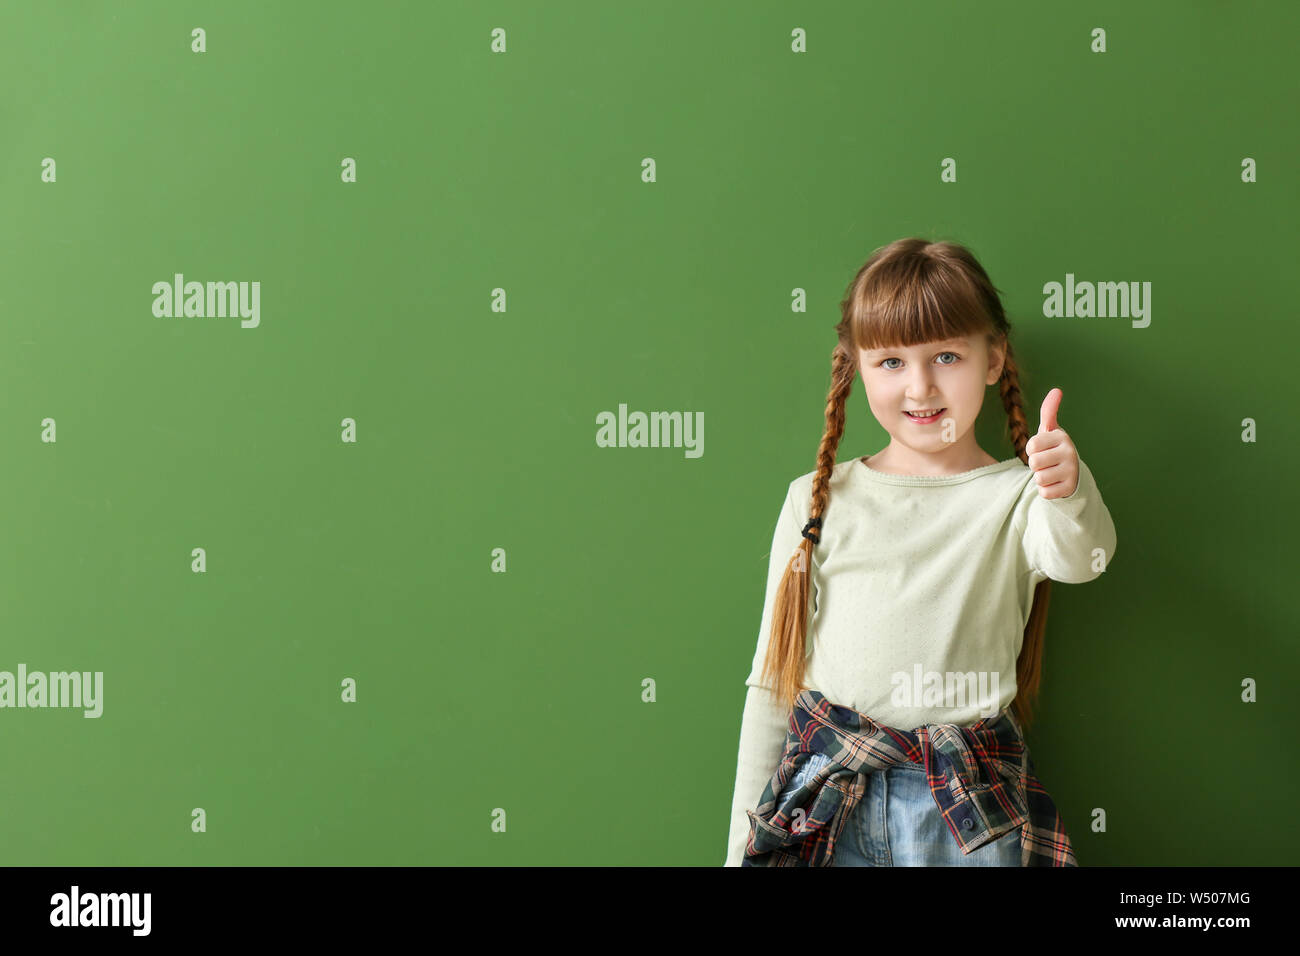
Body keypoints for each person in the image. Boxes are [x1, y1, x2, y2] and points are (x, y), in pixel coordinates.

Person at [723, 238, 1117, 866]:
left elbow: (1082, 557)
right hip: (824, 798)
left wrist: (1066, 487)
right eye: (890, 363)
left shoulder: (1018, 497)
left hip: (967, 813)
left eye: (947, 355)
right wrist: (741, 848)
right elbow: (774, 681)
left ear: (994, 359)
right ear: (855, 367)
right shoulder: (819, 499)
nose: (921, 386)